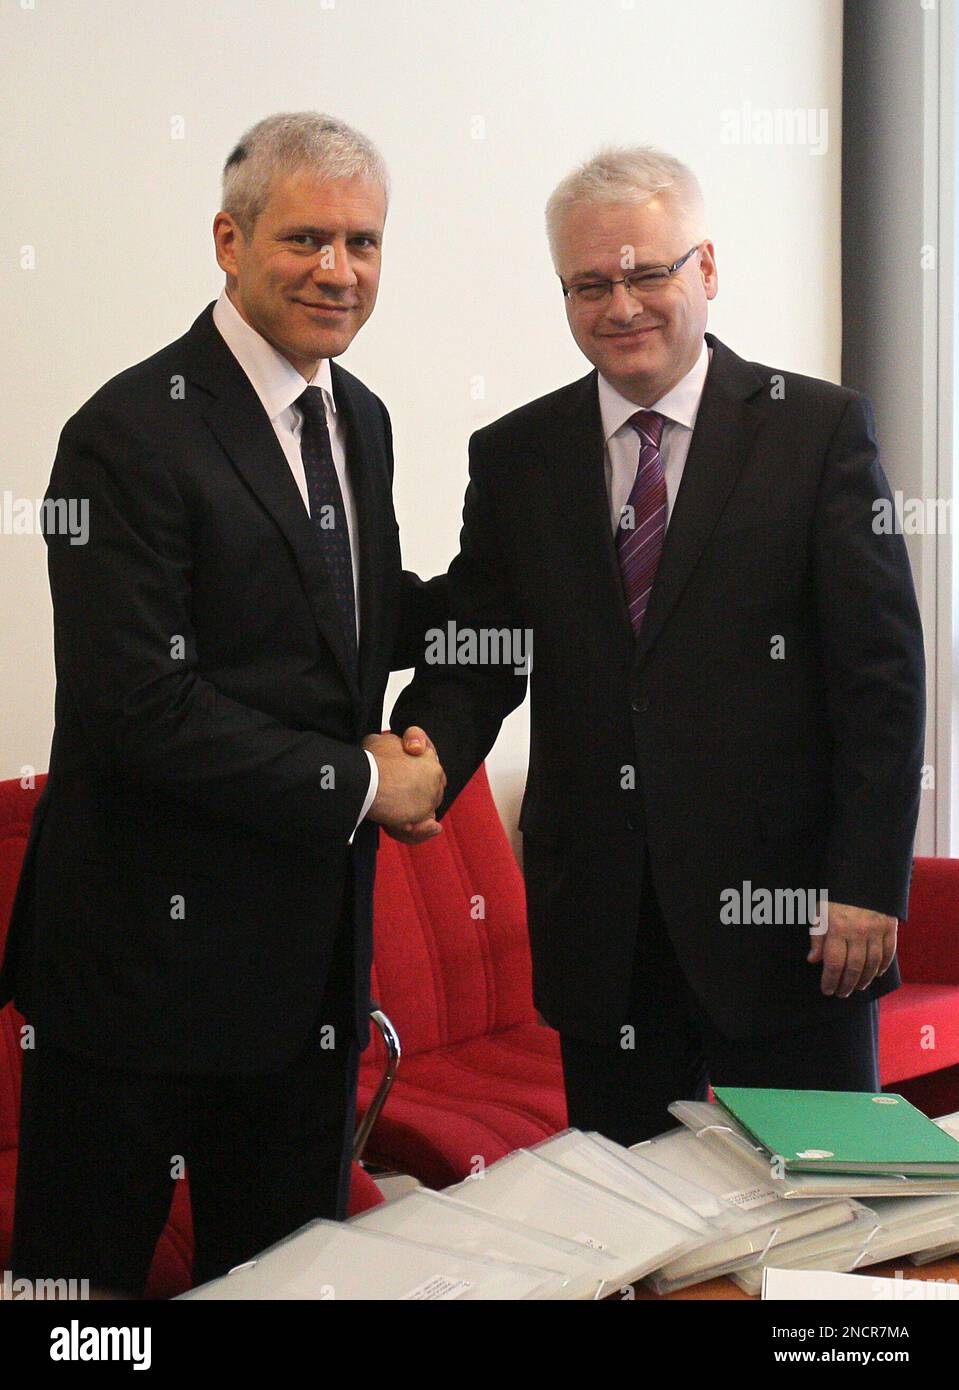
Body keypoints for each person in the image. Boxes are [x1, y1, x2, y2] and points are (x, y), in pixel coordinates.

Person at [390, 146, 926, 1146]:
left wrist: (864, 883)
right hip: (603, 932)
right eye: (589, 283)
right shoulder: (515, 457)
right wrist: (423, 750)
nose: (621, 304)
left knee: (826, 1225)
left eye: (646, 273)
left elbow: (881, 680)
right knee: (633, 1243)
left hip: (793, 924)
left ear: (705, 271)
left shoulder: (814, 432)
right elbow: (483, 647)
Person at [1, 111, 445, 1295]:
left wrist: (524, 599)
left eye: (362, 242)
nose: (336, 271)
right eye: (304, 239)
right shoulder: (123, 434)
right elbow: (138, 703)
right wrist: (364, 780)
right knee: (79, 1303)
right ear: (228, 239)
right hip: (135, 983)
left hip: (304, 979)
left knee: (281, 1282)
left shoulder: (359, 418)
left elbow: (352, 614)